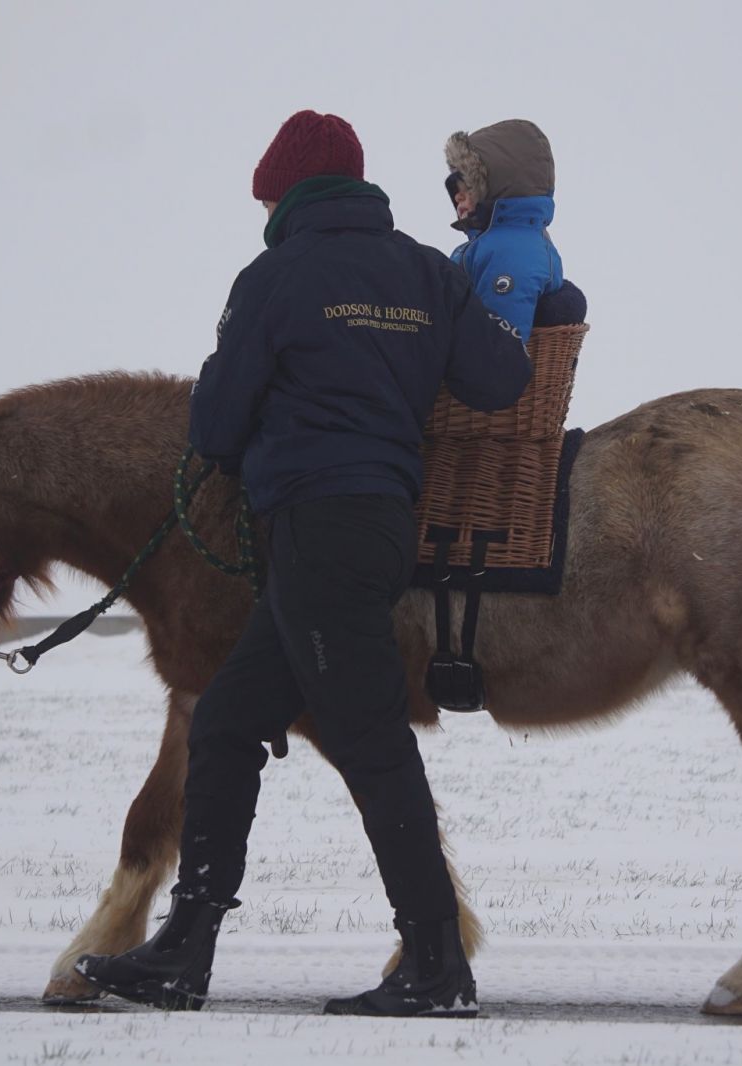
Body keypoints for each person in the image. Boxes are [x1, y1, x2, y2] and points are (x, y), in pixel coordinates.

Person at [74, 110, 534, 1018]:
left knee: (366, 735)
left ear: (284, 196)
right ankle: (185, 949)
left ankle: (438, 963)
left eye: (267, 198)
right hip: (375, 529)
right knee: (226, 719)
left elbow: (214, 426)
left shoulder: (273, 278)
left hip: (317, 528)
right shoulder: (424, 271)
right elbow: (499, 380)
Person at [444, 119, 587, 341]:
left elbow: (502, 347)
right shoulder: (492, 242)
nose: (457, 196)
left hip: (490, 372)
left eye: (467, 188)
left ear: (493, 191)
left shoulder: (509, 253)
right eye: (456, 188)